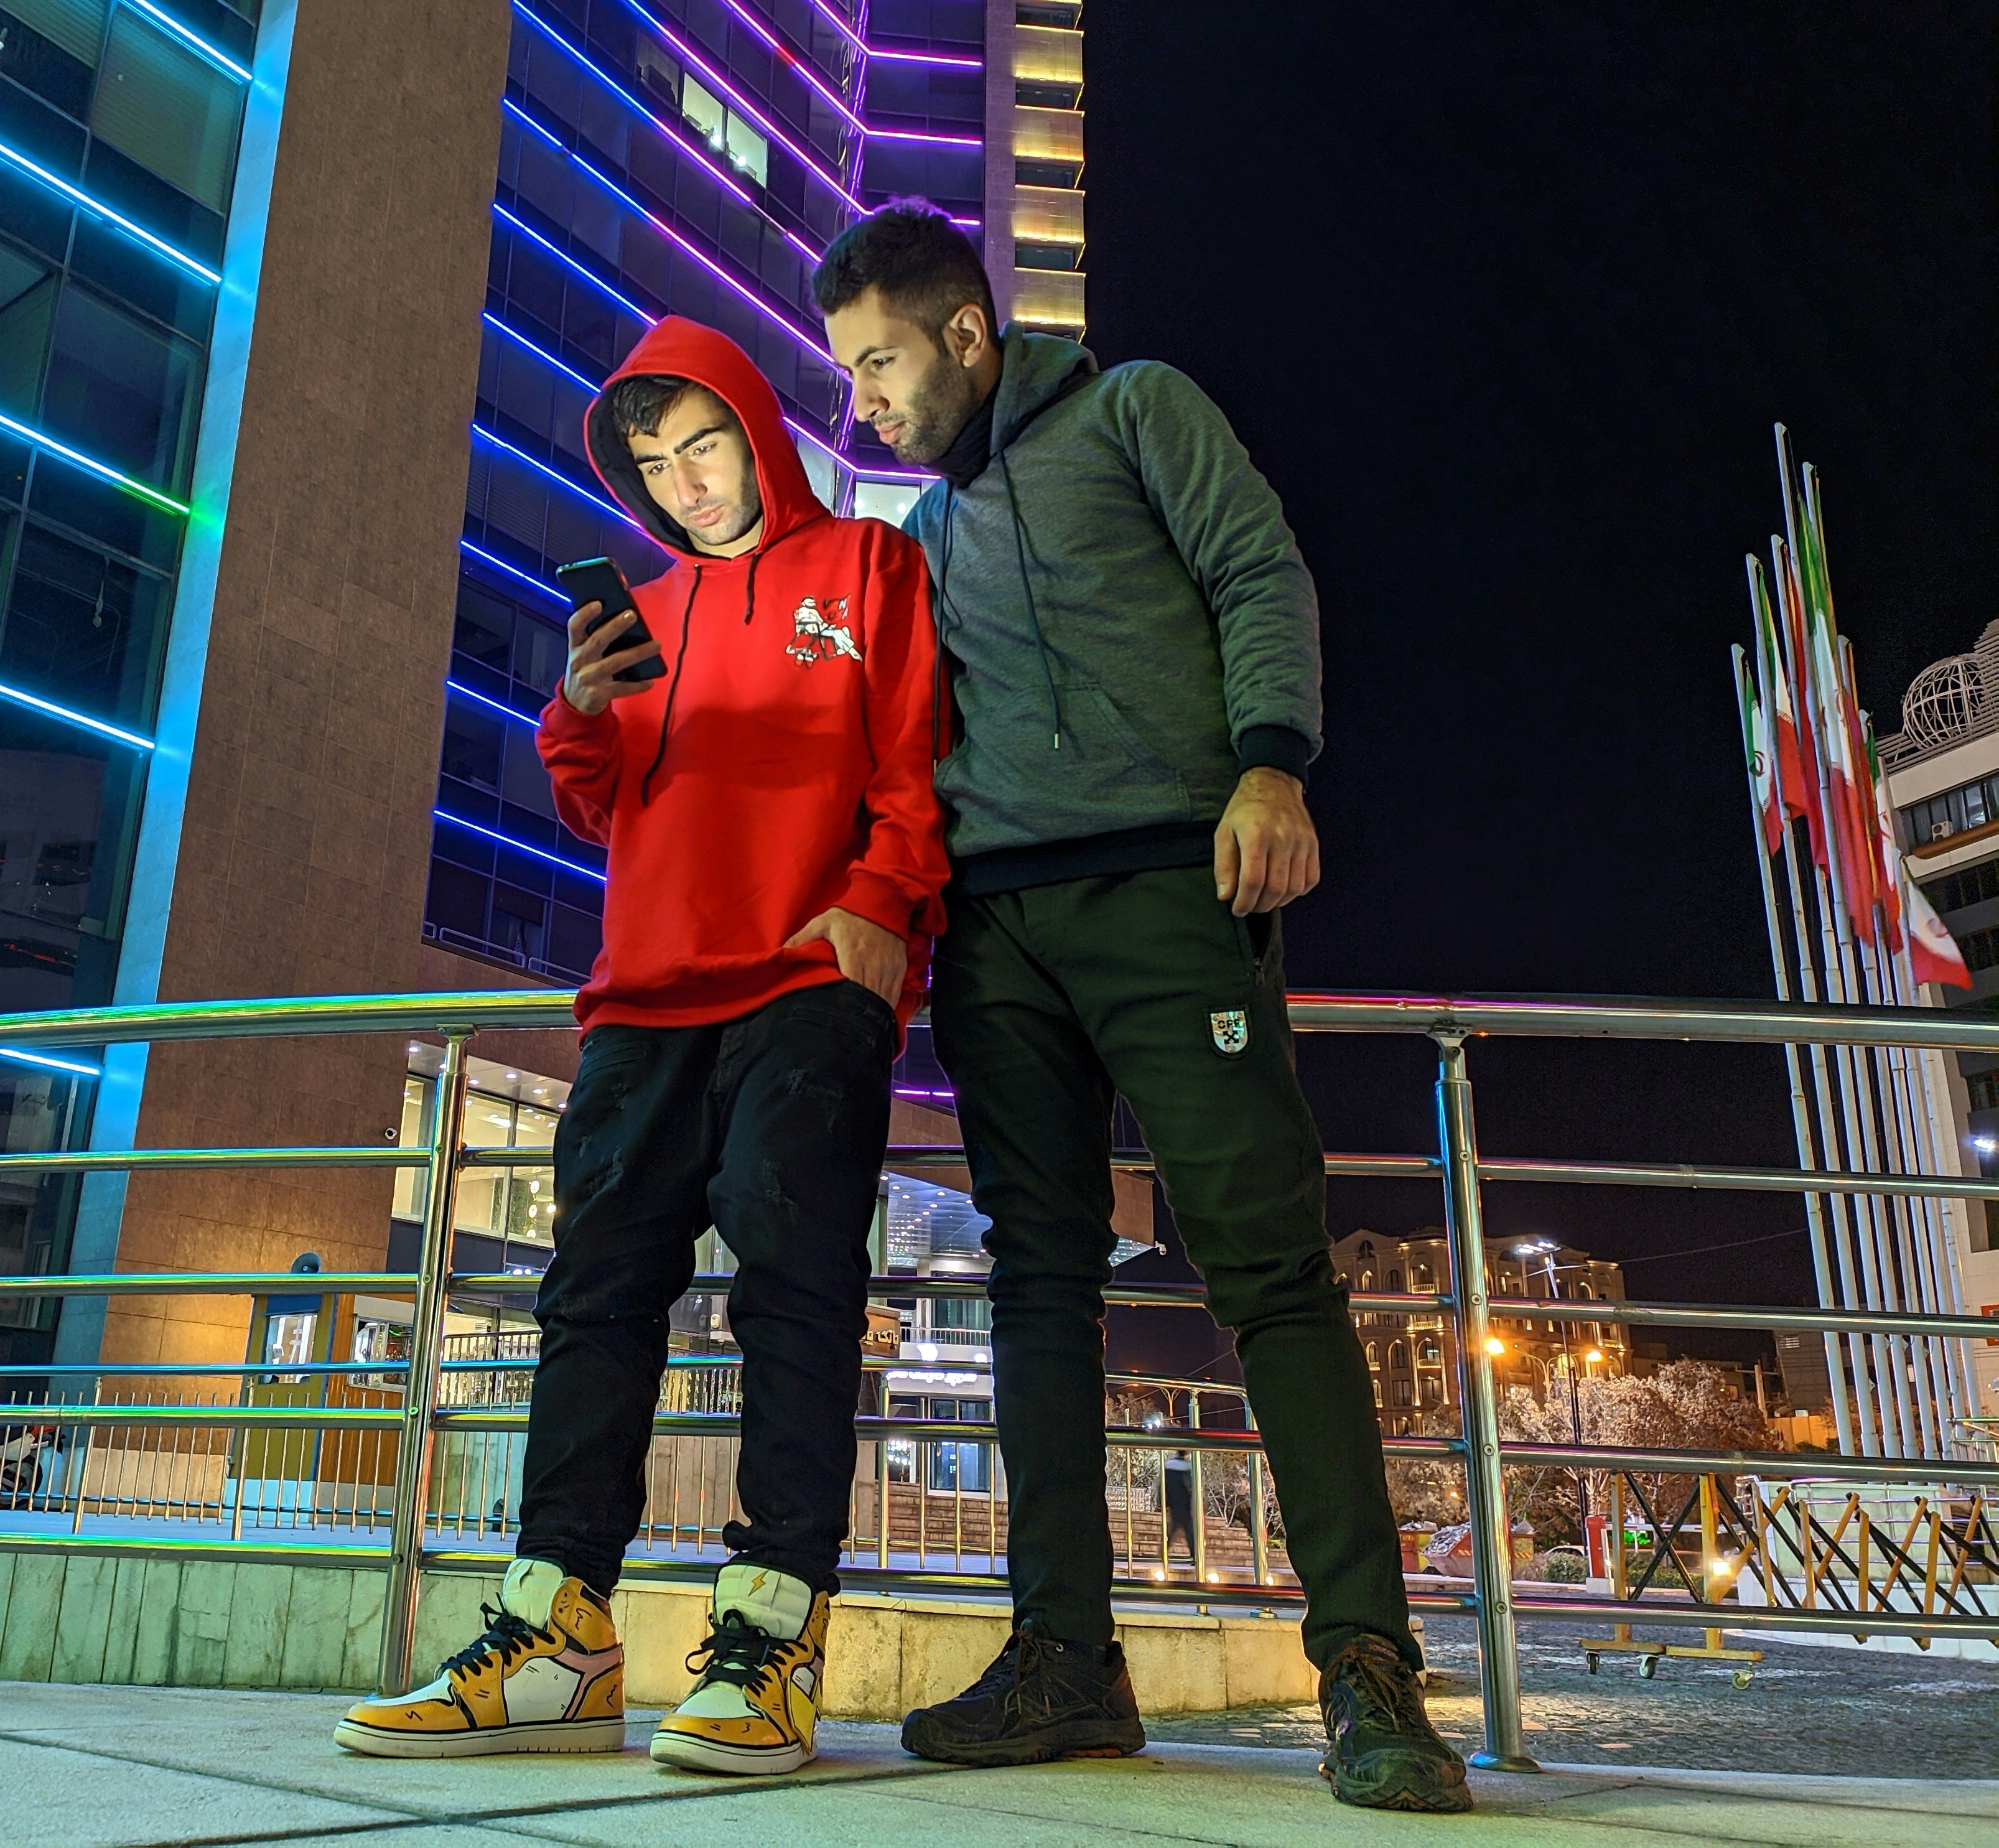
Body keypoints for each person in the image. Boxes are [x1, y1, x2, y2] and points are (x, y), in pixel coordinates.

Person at [813, 202, 1471, 1814]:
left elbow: (1259, 570)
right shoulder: (917, 537)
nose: (863, 401)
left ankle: (1368, 1672)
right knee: (1035, 1285)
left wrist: (1270, 765)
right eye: (850, 374)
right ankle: (1064, 1663)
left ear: (964, 333)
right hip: (995, 935)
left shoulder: (1134, 409)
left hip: (1175, 889)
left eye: (879, 363)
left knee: (1270, 1272)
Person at [333, 317, 944, 1776]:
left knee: (794, 1292)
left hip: (805, 977)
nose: (687, 482)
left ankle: (772, 1639)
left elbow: (916, 759)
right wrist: (579, 708)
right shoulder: (646, 612)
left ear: (758, 431)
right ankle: (555, 1638)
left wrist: (878, 907)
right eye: (657, 465)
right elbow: (601, 803)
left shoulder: (868, 566)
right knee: (591, 1299)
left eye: (706, 444)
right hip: (640, 993)